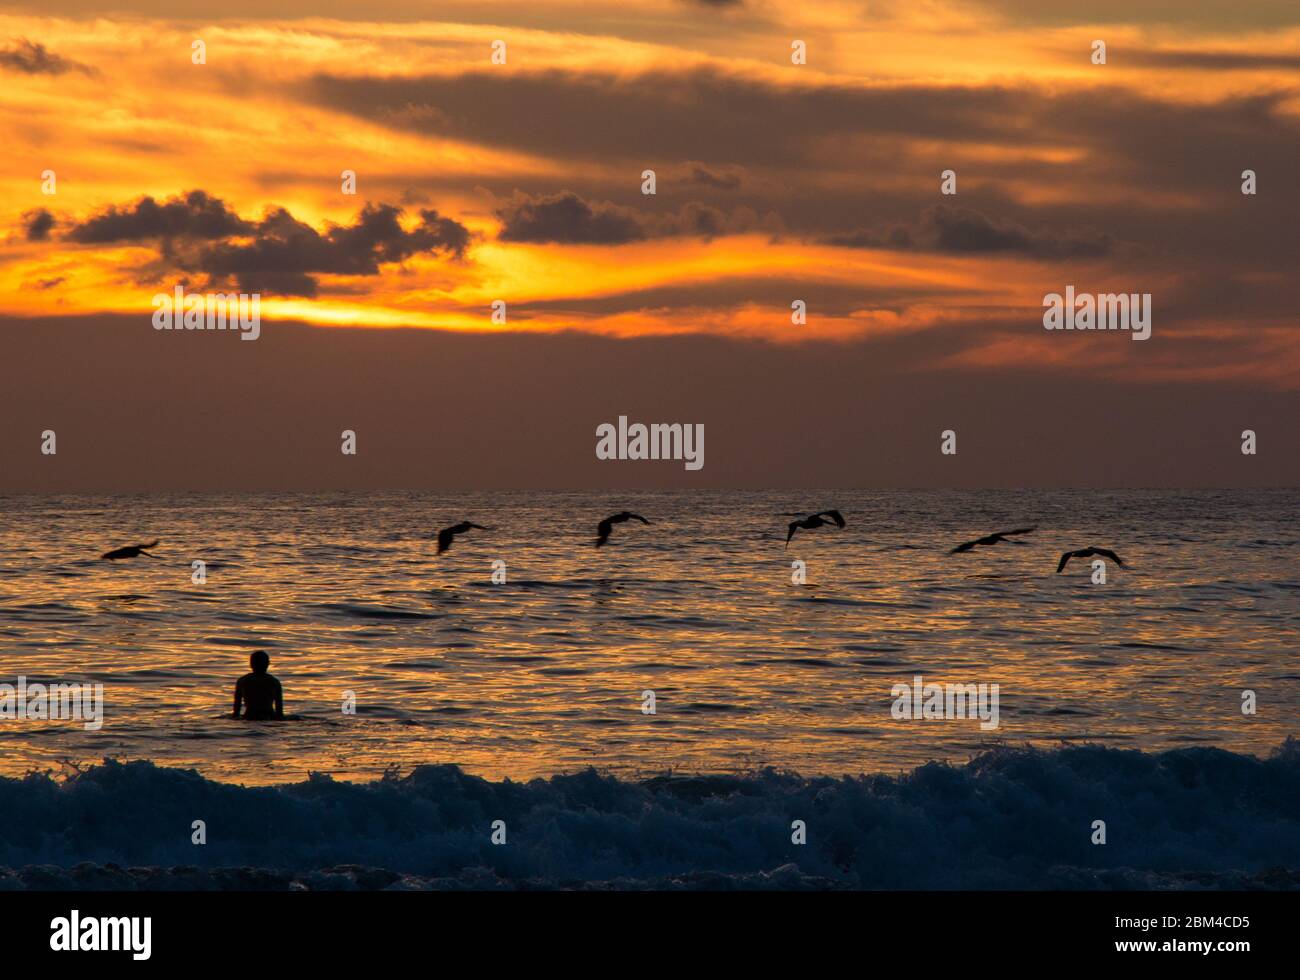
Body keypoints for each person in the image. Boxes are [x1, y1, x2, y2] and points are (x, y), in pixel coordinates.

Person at [232, 650, 284, 720]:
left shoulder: (243, 681)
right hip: (269, 716)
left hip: (250, 716)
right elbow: (279, 711)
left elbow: (236, 709)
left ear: (251, 664)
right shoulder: (274, 682)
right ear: (268, 664)